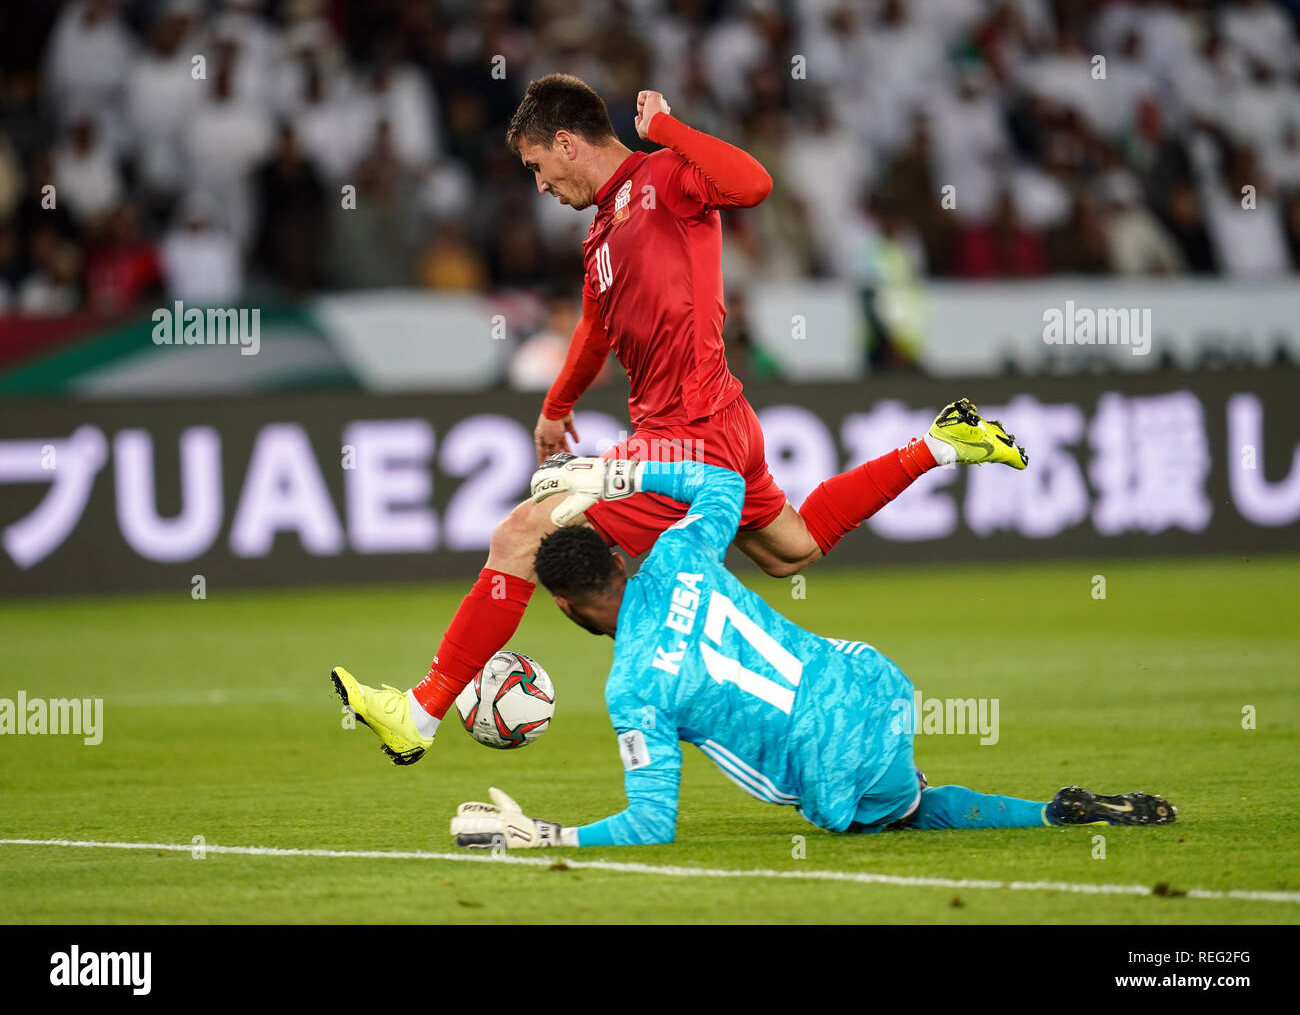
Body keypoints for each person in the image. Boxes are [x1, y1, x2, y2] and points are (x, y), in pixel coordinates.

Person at [331, 75, 1029, 767]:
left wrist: (666, 127)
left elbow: (753, 184)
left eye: (538, 167)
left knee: (518, 536)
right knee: (793, 550)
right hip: (720, 423)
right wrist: (556, 406)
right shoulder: (600, 232)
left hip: (688, 431)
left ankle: (418, 713)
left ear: (568, 144)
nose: (540, 186)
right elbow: (596, 332)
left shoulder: (668, 176)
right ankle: (940, 444)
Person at [449, 453, 1176, 849]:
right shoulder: (680, 551)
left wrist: (548, 834)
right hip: (873, 679)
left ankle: (1039, 813)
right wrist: (614, 472)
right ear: (616, 555)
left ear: (564, 604)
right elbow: (723, 478)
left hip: (828, 762)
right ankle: (1053, 814)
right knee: (903, 788)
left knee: (897, 808)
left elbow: (651, 826)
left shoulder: (633, 686)